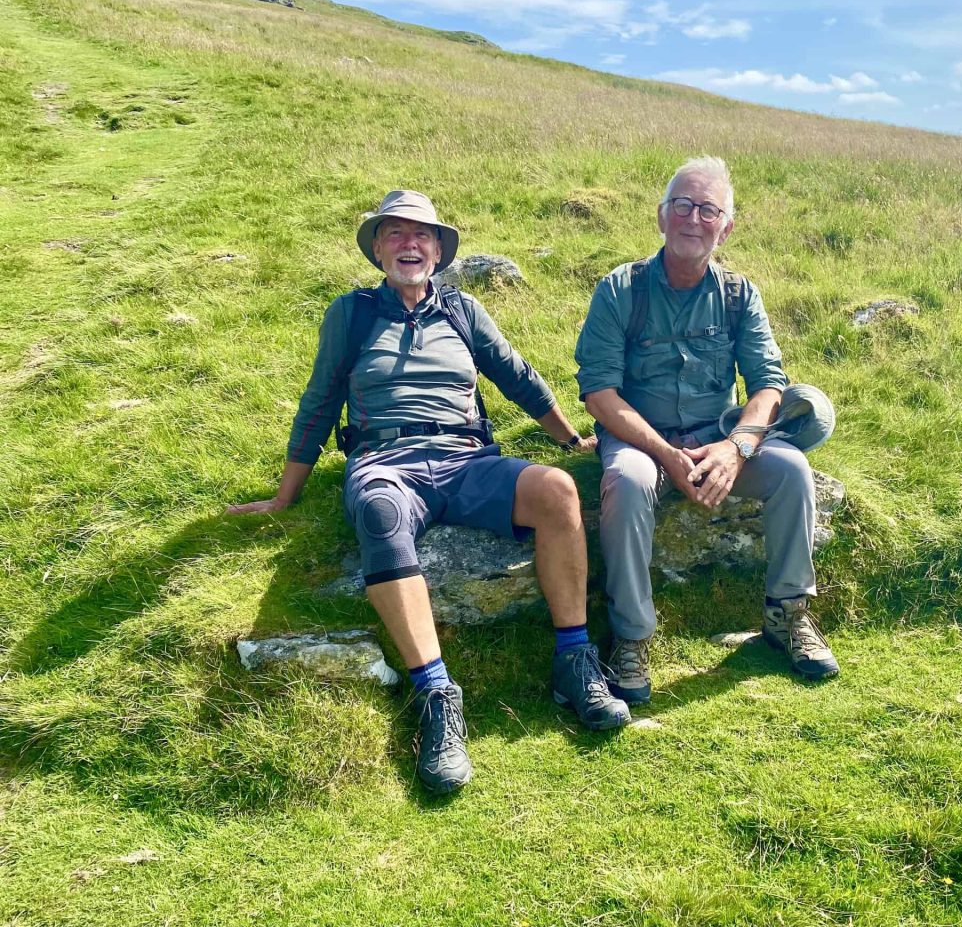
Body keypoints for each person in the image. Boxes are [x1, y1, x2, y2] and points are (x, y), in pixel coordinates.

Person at [228, 189, 629, 793]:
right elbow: (318, 403)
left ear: (439, 250)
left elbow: (517, 376)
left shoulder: (464, 311)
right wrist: (285, 496)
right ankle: (437, 694)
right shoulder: (353, 314)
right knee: (380, 510)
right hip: (384, 459)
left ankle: (574, 662)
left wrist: (573, 442)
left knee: (557, 492)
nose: (409, 245)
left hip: (466, 457)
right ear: (378, 249)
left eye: (421, 235)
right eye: (395, 234)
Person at [574, 156, 839, 706]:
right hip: (641, 439)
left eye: (709, 209)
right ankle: (631, 636)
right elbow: (601, 395)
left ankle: (787, 615)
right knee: (625, 480)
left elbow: (769, 385)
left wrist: (737, 448)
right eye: (683, 205)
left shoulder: (741, 295)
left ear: (726, 226)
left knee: (791, 469)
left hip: (717, 437)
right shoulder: (621, 290)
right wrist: (665, 453)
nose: (694, 218)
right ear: (661, 215)